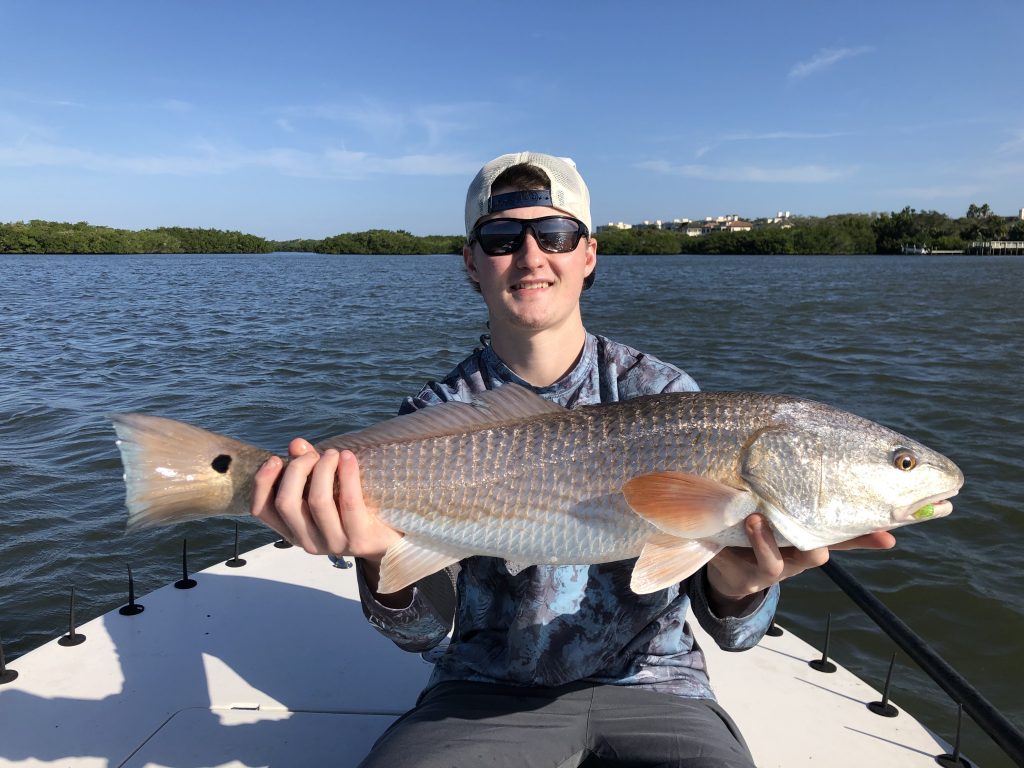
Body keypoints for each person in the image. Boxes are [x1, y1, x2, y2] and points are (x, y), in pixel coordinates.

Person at [250, 151, 895, 767]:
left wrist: (740, 584)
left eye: (556, 233)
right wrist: (371, 558)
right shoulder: (434, 415)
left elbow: (733, 634)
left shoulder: (666, 394)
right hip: (484, 692)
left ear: (589, 254)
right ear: (471, 262)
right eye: (502, 237)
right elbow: (422, 632)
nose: (531, 256)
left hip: (657, 685)